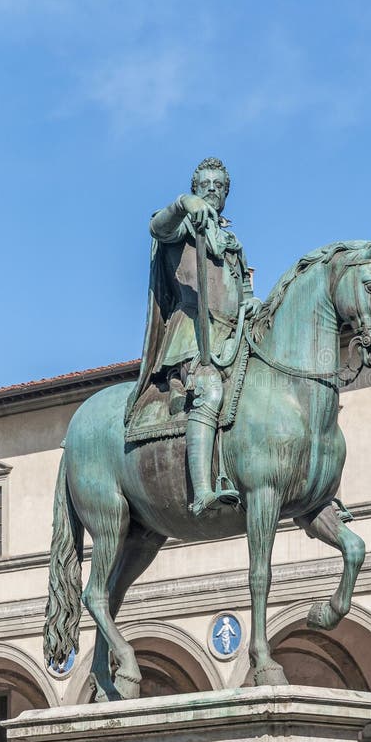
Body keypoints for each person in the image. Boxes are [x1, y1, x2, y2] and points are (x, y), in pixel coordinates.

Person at [127, 157, 260, 517]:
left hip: (233, 335)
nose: (212, 190)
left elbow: (245, 291)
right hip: (193, 334)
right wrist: (185, 203)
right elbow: (157, 226)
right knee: (211, 391)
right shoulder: (184, 222)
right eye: (205, 186)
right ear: (196, 189)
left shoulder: (231, 240)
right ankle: (203, 491)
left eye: (219, 186)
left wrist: (255, 304)